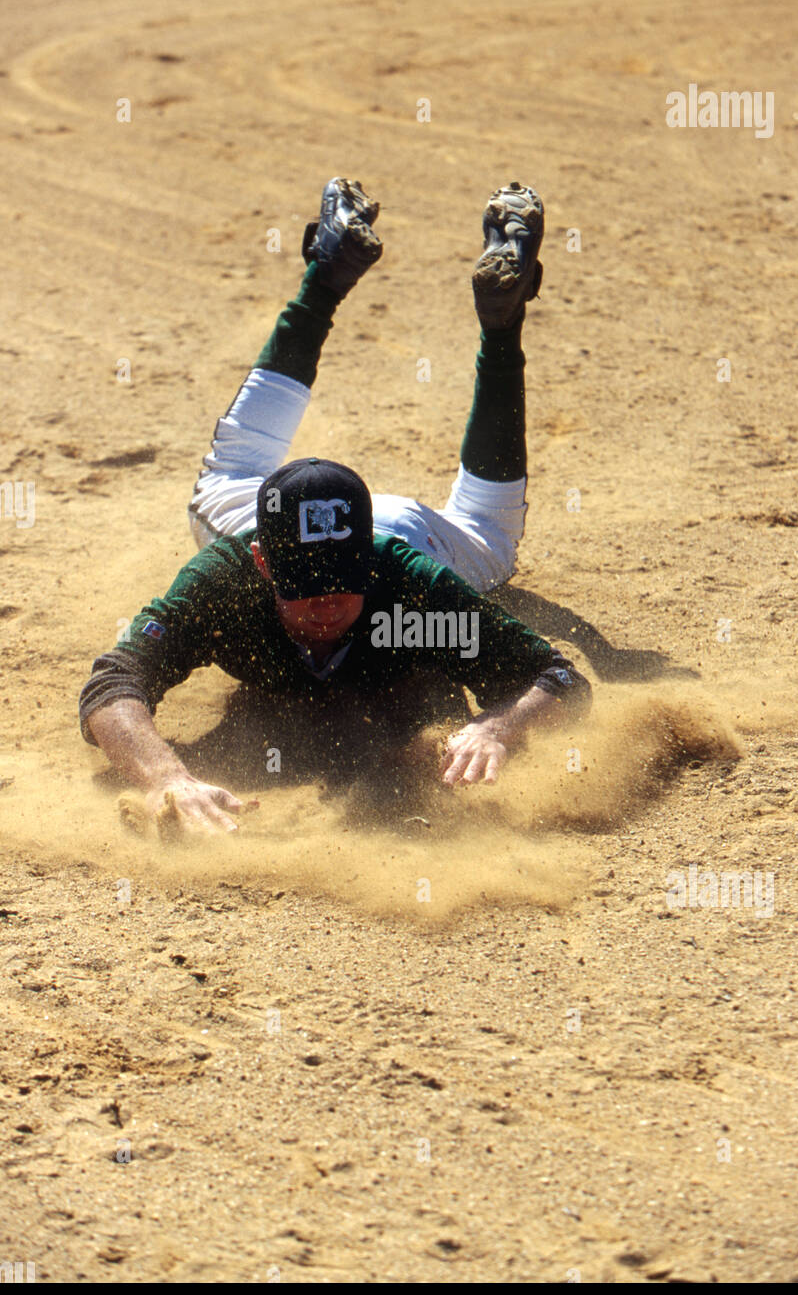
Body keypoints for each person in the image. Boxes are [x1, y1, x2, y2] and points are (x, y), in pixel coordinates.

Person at [79, 177, 591, 835]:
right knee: (229, 485)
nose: (324, 605)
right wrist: (167, 779)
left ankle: (436, 309)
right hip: (265, 518)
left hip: (414, 534)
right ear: (263, 565)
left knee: (485, 545)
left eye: (340, 586)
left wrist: (499, 725)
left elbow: (560, 679)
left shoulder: (411, 582)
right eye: (304, 586)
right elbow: (113, 682)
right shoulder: (224, 579)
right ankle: (388, 292)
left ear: (368, 567)